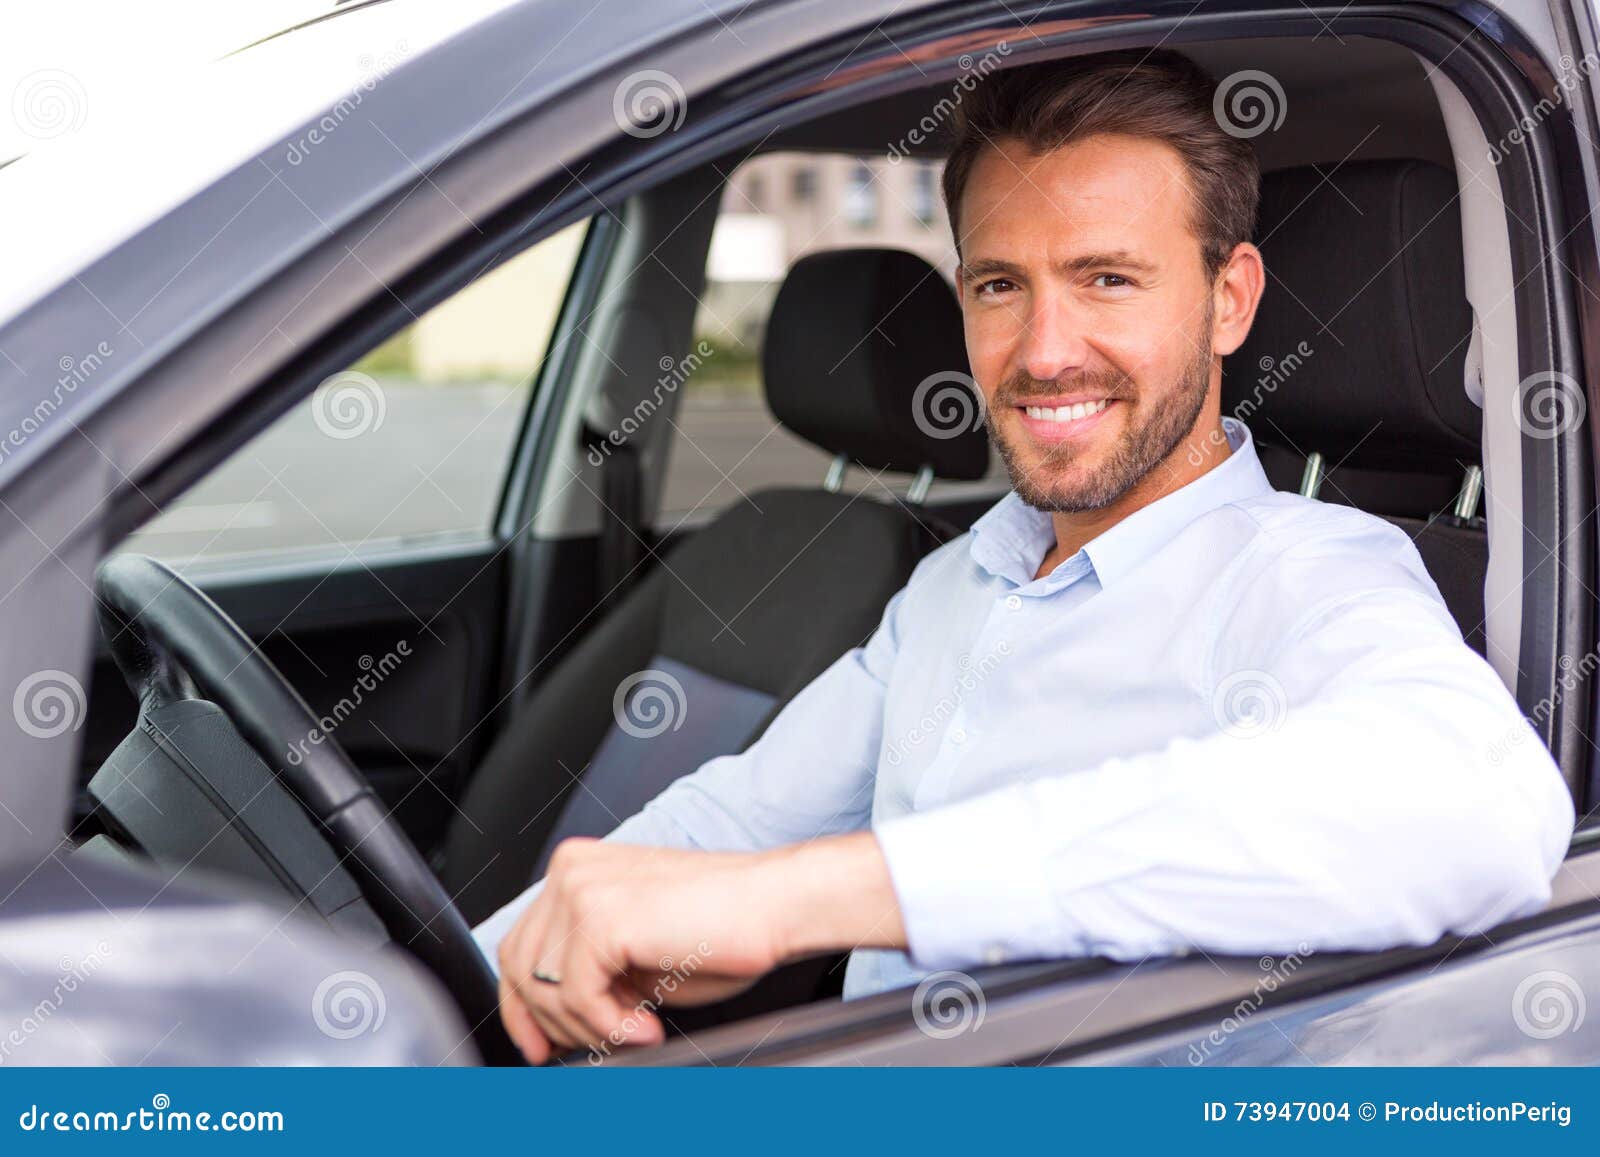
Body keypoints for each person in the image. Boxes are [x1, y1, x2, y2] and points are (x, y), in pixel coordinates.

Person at [474, 49, 1574, 1064]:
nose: (1044, 353)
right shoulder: (956, 583)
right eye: (1002, 284)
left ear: (1228, 301)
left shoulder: (1305, 571)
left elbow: (1477, 804)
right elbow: (735, 817)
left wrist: (802, 899)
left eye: (1107, 279)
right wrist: (464, 983)